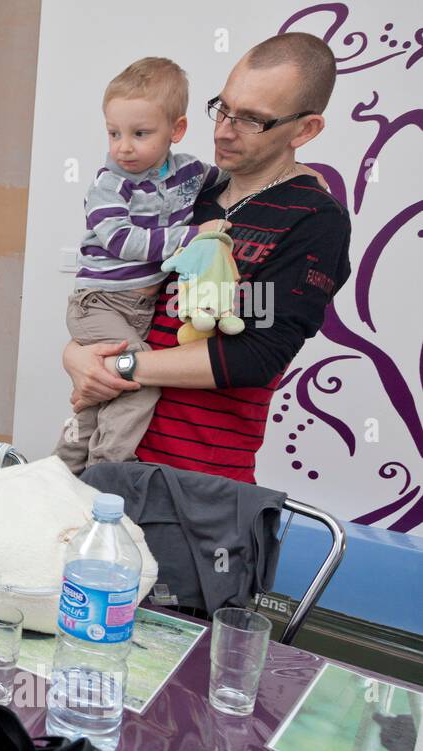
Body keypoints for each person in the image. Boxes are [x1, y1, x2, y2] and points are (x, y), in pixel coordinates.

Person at [62, 33, 351, 483]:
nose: (223, 130)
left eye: (252, 120)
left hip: (197, 485)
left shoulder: (314, 218)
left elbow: (255, 355)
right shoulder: (187, 193)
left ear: (305, 129)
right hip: (101, 464)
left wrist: (117, 366)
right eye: (224, 108)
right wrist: (75, 355)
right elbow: (122, 299)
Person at [53, 57, 227, 474]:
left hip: (138, 308)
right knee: (137, 383)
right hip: (100, 303)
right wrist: (194, 235)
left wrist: (302, 173)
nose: (123, 147)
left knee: (98, 395)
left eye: (139, 133)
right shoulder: (110, 184)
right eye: (113, 133)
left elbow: (235, 181)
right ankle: (108, 470)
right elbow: (122, 240)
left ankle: (63, 472)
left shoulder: (189, 173)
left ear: (177, 130)